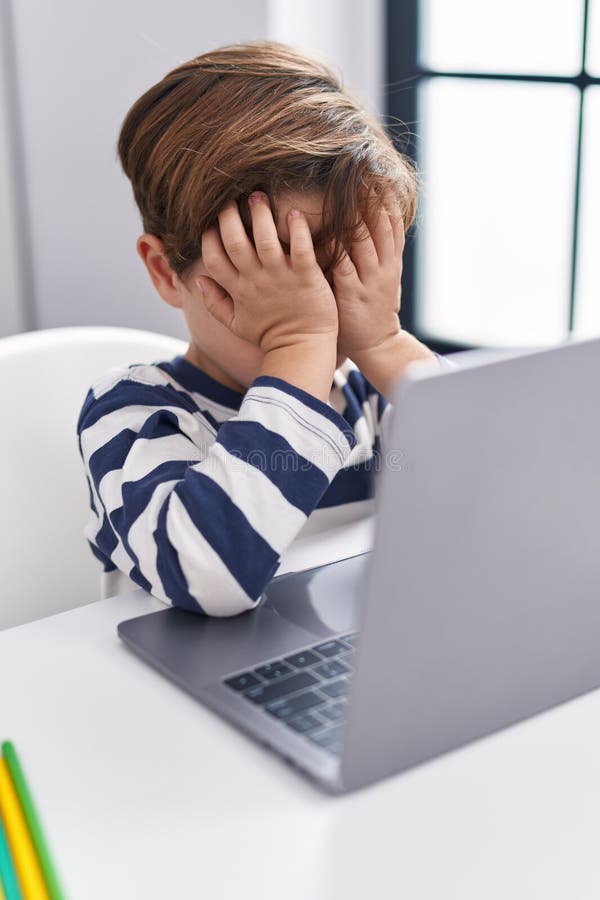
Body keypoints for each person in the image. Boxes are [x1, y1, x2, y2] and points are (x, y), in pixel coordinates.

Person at [77, 39, 451, 617]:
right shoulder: (134, 414)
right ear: (167, 272)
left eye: (343, 273)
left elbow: (510, 490)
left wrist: (384, 343)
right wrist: (297, 344)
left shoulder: (373, 401)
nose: (318, 314)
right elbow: (209, 576)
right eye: (274, 280)